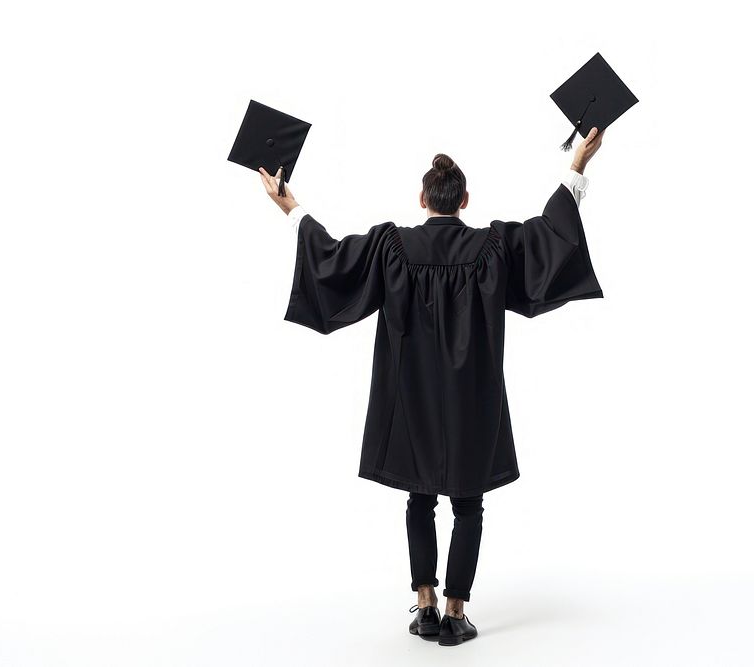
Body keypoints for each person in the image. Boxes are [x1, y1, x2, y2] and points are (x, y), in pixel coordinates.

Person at [257, 127, 605, 646]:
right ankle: (455, 614)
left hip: (410, 396)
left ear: (423, 200)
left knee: (419, 499)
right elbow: (548, 239)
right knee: (468, 505)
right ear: (464, 201)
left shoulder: (392, 246)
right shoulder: (492, 248)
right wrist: (578, 164)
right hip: (472, 399)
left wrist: (290, 207)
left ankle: (424, 607)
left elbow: (332, 258)